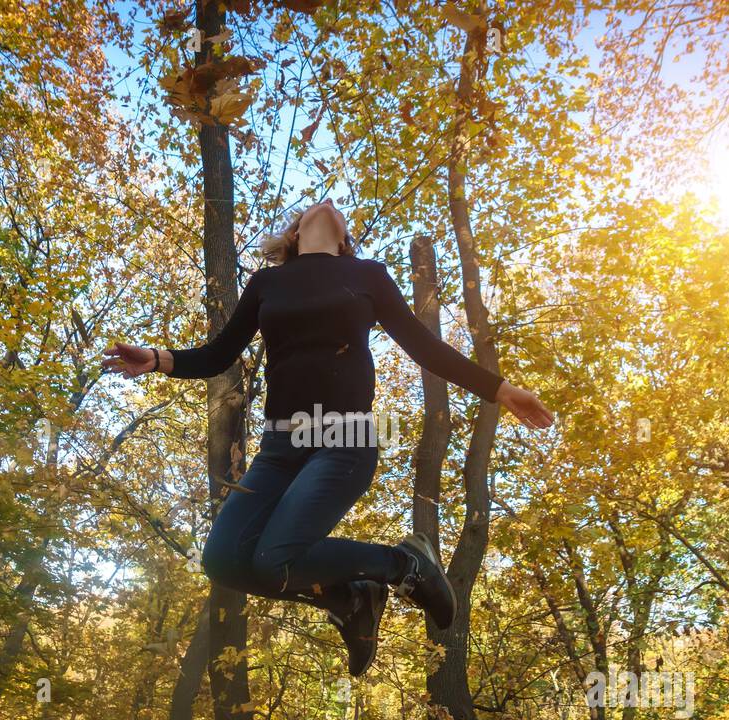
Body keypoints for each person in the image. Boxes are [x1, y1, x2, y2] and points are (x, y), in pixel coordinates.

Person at [103, 198, 552, 677]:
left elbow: (424, 347)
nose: (329, 204)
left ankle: (405, 566)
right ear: (294, 235)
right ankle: (352, 599)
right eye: (312, 208)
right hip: (279, 450)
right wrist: (156, 358)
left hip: (345, 438)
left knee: (274, 559)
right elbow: (218, 354)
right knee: (224, 560)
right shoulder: (266, 283)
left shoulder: (366, 275)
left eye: (340, 211)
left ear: (343, 238)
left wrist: (500, 389)